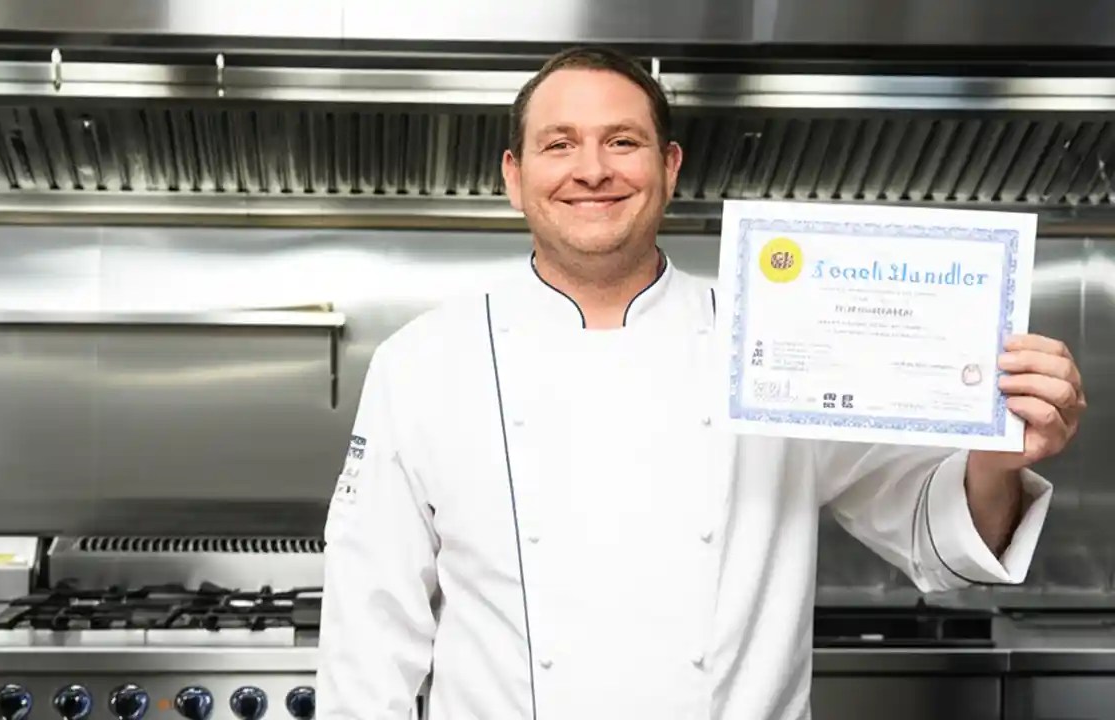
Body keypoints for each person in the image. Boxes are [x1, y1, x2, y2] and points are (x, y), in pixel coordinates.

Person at [315, 46, 1086, 720]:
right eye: (560, 144)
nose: (593, 169)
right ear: (515, 177)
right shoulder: (424, 363)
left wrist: (998, 458)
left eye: (623, 141)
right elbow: (370, 630)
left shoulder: (775, 342)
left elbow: (929, 530)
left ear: (670, 167)